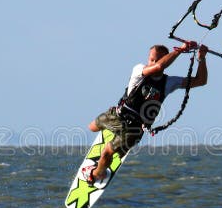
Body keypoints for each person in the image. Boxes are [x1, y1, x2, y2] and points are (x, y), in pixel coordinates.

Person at [83, 41, 209, 186]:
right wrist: (179, 50)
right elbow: (158, 67)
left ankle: (96, 174)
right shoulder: (139, 69)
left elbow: (201, 81)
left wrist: (202, 58)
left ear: (166, 58)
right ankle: (113, 136)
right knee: (91, 127)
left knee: (106, 153)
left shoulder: (169, 82)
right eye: (151, 59)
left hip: (134, 130)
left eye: (157, 59)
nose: (153, 62)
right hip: (117, 115)